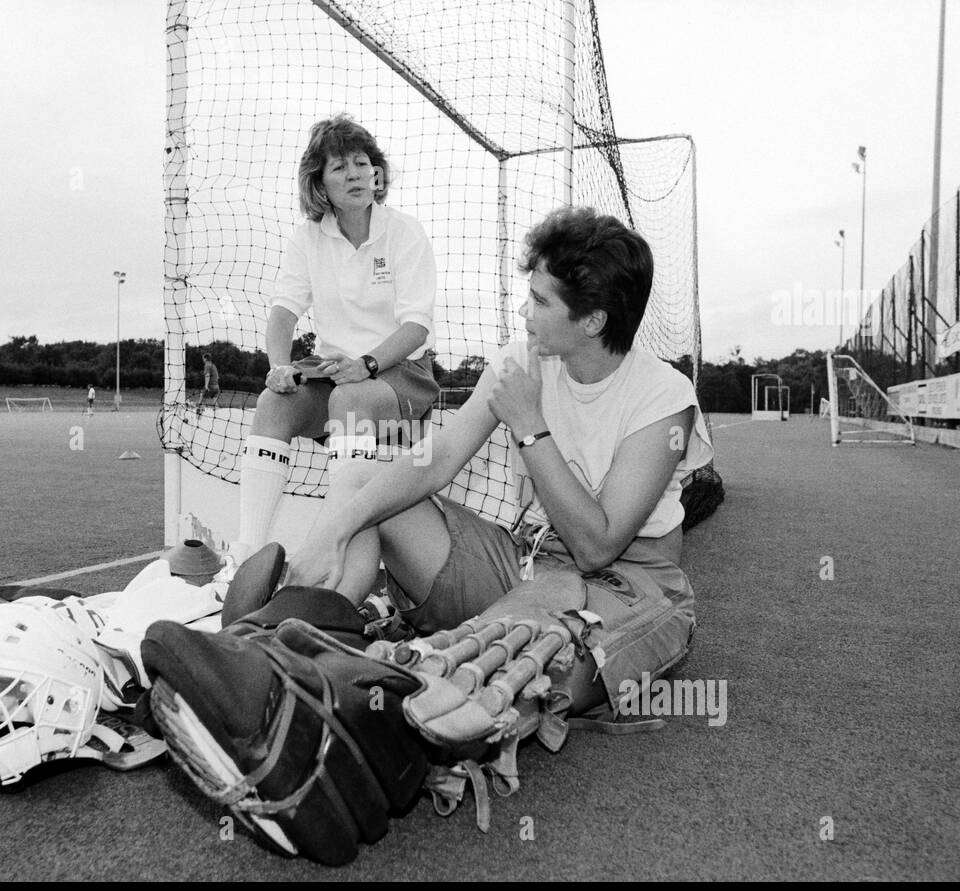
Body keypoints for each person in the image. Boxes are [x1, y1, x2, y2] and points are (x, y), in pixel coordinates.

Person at [285, 208, 713, 701]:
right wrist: (334, 532)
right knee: (362, 482)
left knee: (541, 673)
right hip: (524, 562)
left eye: (539, 300)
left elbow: (597, 547)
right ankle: (307, 636)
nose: (524, 313)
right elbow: (438, 458)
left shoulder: (664, 398)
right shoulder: (516, 362)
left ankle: (406, 688)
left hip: (625, 584)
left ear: (593, 320)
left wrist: (531, 426)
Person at [232, 114, 440, 565]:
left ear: (376, 172)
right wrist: (278, 367)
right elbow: (284, 310)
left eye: (362, 164)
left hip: (399, 372)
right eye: (341, 167)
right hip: (336, 372)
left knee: (349, 402)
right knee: (273, 404)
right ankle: (245, 558)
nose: (356, 175)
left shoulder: (405, 232)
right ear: (320, 184)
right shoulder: (308, 238)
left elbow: (416, 326)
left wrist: (365, 364)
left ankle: (333, 558)